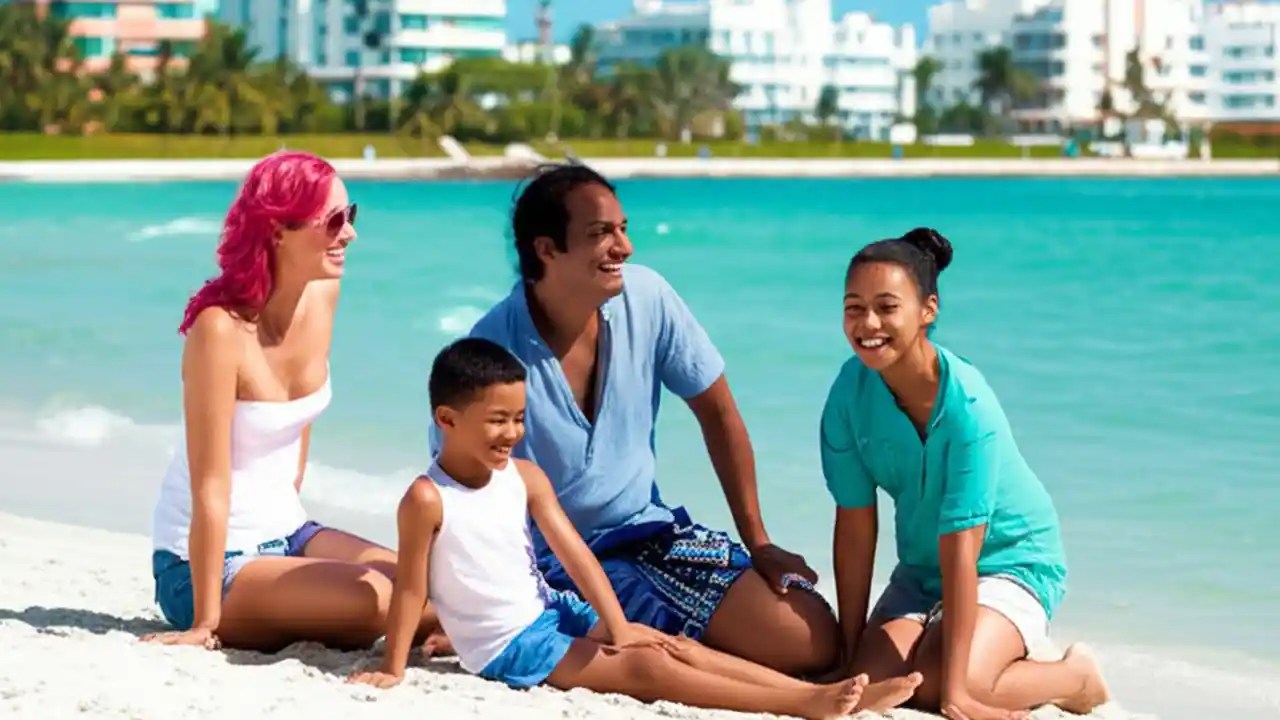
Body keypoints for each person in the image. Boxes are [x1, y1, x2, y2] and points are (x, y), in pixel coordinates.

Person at [445, 163, 865, 682]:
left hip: (651, 534)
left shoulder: (648, 298)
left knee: (811, 635)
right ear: (547, 250)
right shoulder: (491, 351)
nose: (624, 247)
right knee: (663, 648)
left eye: (623, 228)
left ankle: (681, 637)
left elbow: (718, 412)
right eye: (601, 233)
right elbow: (458, 486)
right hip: (550, 562)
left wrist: (758, 541)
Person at [349, 338, 873, 720]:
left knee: (664, 644)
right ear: (446, 418)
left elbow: (576, 555)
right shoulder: (427, 498)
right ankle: (803, 703)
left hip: (549, 610)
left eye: (519, 417)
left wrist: (616, 623)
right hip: (507, 645)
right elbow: (413, 587)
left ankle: (816, 689)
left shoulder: (524, 478)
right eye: (497, 420)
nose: (513, 433)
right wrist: (393, 667)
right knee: (645, 671)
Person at [142, 151, 444, 653]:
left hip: (289, 531)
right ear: (277, 230)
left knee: (426, 581)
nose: (348, 234)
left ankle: (491, 623)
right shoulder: (219, 331)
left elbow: (300, 418)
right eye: (332, 221)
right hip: (206, 568)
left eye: (351, 216)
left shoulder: (323, 294)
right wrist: (204, 623)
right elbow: (211, 487)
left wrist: (295, 531)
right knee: (377, 599)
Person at [819, 228, 1111, 720]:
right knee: (876, 686)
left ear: (927, 310)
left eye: (888, 307)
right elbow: (854, 526)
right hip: (920, 574)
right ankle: (943, 661)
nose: (868, 323)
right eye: (854, 307)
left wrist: (959, 694)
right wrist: (849, 658)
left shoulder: (968, 405)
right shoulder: (849, 393)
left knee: (938, 686)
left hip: (1009, 562)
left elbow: (962, 543)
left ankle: (1076, 678)